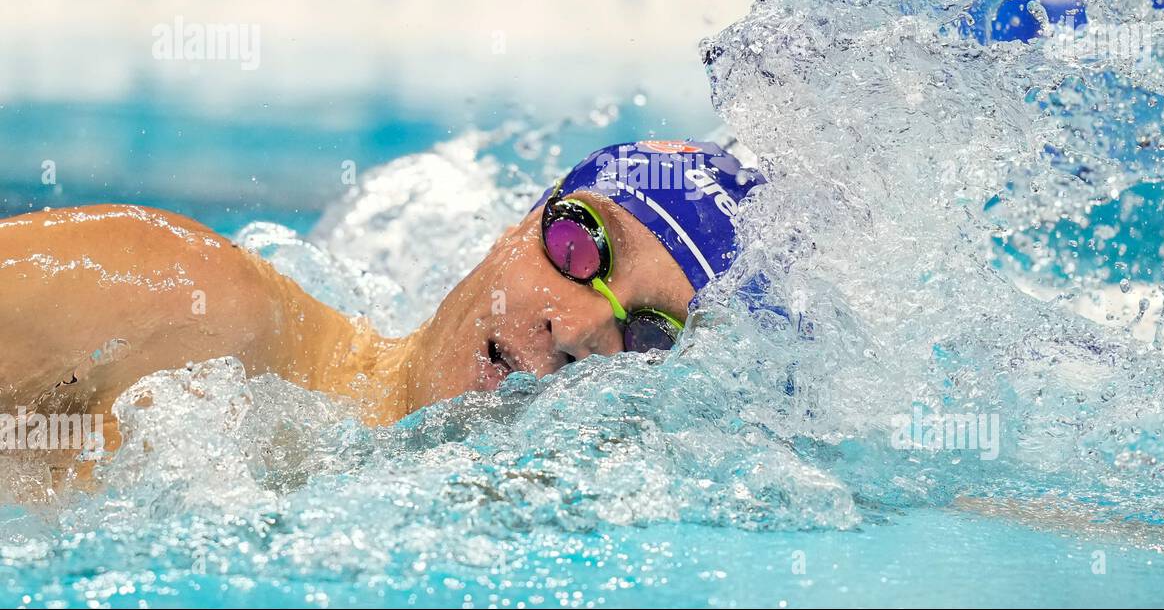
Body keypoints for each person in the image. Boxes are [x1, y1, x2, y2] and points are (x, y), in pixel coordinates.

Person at [0, 139, 765, 474]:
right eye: (583, 248)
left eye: (650, 338)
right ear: (515, 227)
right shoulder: (187, 299)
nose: (579, 329)